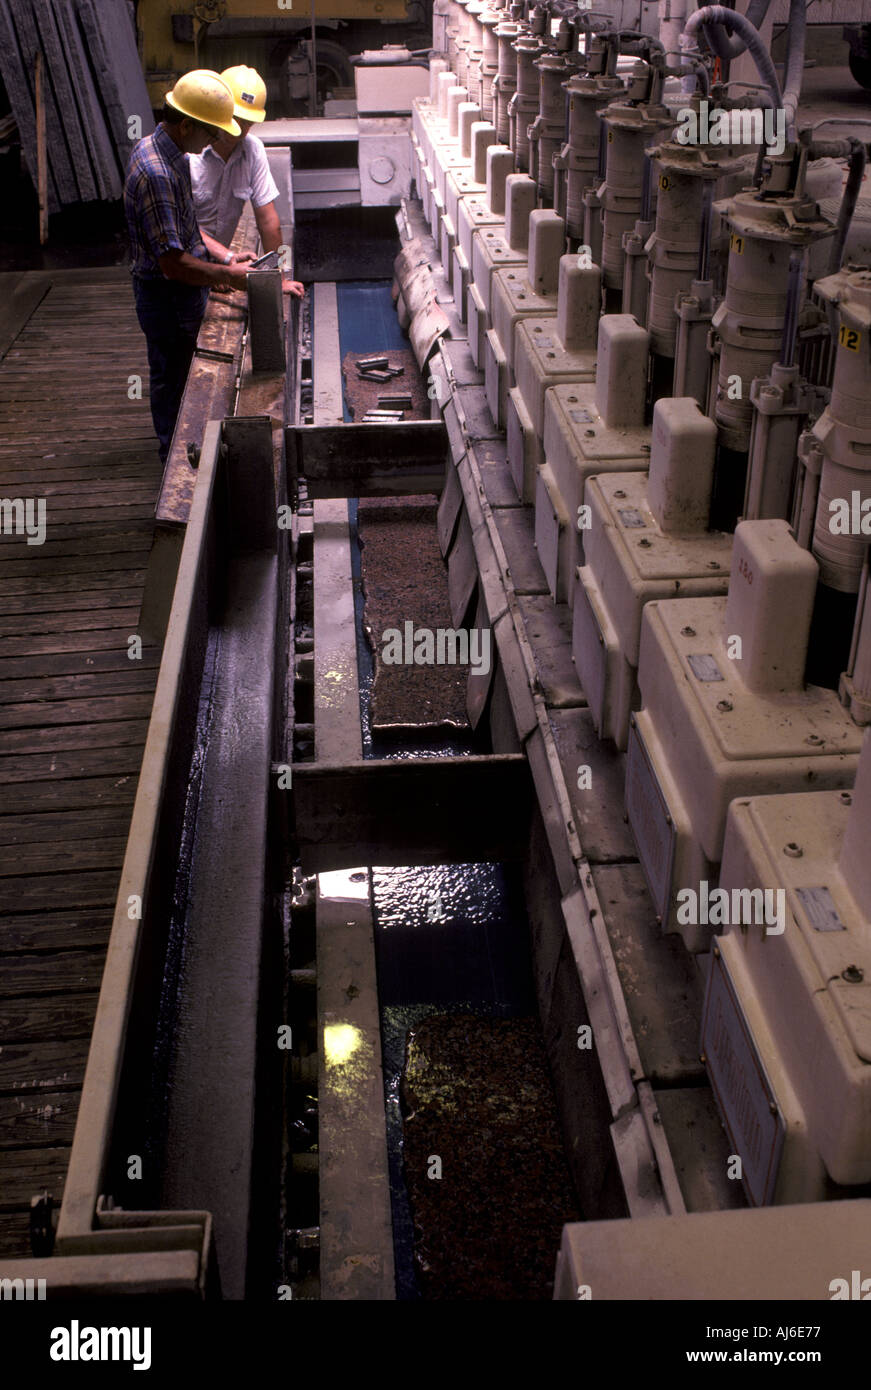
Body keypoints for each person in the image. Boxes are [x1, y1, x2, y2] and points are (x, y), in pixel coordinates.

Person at [124, 70, 253, 464]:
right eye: (211, 132)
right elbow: (173, 263)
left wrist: (224, 258)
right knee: (176, 380)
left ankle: (184, 453)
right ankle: (175, 466)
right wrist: (227, 277)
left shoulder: (169, 152)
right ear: (185, 125)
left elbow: (185, 227)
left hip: (179, 293)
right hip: (166, 297)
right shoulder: (157, 172)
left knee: (184, 378)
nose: (215, 141)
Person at [190, 65, 304, 297]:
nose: (240, 129)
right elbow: (182, 228)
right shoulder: (190, 154)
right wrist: (225, 265)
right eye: (236, 118)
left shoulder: (253, 149)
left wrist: (281, 276)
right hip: (183, 266)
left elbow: (270, 221)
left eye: (247, 122)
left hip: (218, 265)